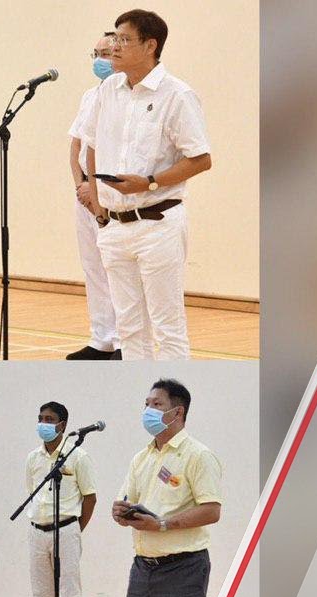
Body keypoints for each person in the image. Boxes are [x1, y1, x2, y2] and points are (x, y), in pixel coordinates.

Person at [80, 9, 212, 360]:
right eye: (115, 38)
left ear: (150, 45)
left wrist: (150, 183)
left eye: (125, 40)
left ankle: (171, 396)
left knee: (167, 327)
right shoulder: (108, 90)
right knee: (129, 328)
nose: (115, 46)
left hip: (158, 223)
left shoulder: (177, 94)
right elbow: (90, 146)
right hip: (114, 225)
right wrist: (97, 207)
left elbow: (200, 159)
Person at [112, 379, 221, 597]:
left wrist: (163, 524)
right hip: (143, 567)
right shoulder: (141, 458)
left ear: (178, 411)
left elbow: (212, 509)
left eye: (155, 404)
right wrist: (121, 511)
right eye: (146, 403)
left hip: (183, 569)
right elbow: (128, 499)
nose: (148, 410)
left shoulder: (198, 456)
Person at [16, 402, 97, 597]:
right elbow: (33, 492)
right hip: (37, 531)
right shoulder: (33, 458)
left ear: (62, 425)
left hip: (67, 529)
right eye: (40, 418)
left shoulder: (78, 456)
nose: (43, 423)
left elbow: (90, 498)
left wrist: (75, 530)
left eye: (49, 419)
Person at [65, 33, 122, 361]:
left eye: (106, 53)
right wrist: (81, 186)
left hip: (109, 192)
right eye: (95, 53)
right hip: (85, 192)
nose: (99, 60)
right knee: (92, 267)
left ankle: (121, 342)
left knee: (114, 267)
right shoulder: (90, 95)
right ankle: (101, 338)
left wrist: (97, 191)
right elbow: (76, 146)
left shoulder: (123, 97)